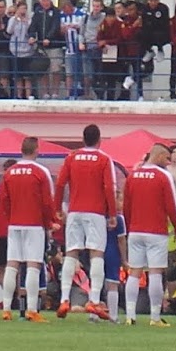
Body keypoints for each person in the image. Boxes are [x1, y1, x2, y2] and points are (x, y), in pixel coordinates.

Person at [56, 124, 116, 319]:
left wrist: (57, 208)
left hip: (74, 211)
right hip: (96, 212)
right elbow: (109, 187)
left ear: (83, 139)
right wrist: (112, 213)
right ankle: (95, 300)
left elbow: (59, 183)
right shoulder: (104, 159)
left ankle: (65, 299)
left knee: (71, 252)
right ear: (99, 140)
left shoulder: (71, 157)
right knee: (96, 254)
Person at [121, 144, 176, 326]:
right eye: (167, 159)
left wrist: (130, 225)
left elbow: (126, 205)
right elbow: (172, 206)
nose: (168, 163)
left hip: (136, 230)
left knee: (134, 272)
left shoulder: (133, 176)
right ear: (160, 156)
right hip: (156, 231)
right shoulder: (163, 177)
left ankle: (130, 315)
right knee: (156, 272)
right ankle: (155, 317)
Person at [0, 138, 56, 322]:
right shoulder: (41, 172)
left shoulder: (10, 172)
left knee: (12, 264)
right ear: (36, 150)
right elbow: (47, 201)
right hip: (34, 223)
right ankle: (31, 309)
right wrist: (49, 222)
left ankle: (6, 309)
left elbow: (4, 200)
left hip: (14, 223)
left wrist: (10, 215)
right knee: (33, 265)